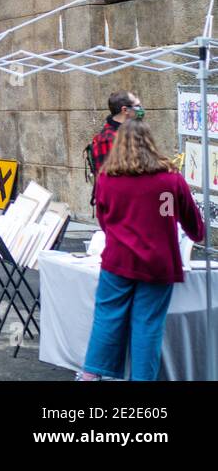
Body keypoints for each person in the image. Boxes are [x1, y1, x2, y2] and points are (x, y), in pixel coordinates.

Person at [78, 118, 204, 381]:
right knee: (147, 325)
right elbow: (188, 219)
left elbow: (103, 219)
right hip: (158, 262)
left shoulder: (107, 180)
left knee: (108, 317)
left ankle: (90, 375)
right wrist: (197, 233)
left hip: (118, 260)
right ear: (150, 144)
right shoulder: (170, 180)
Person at [88, 89, 140, 181]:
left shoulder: (127, 131)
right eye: (137, 106)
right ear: (125, 110)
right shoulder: (108, 139)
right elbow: (109, 180)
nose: (140, 110)